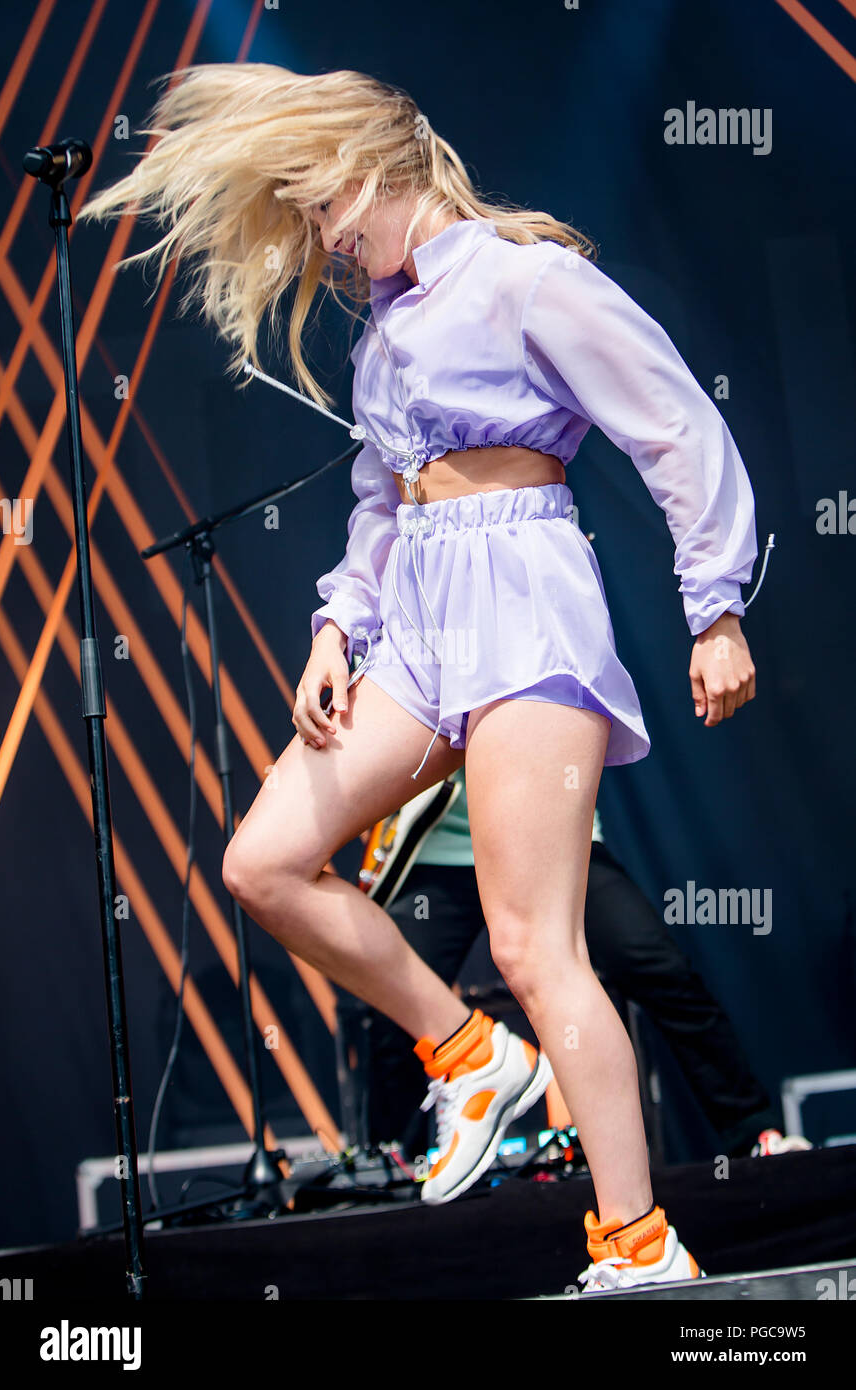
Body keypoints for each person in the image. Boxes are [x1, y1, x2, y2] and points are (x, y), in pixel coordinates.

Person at [83, 63, 758, 1292]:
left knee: (531, 941)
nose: (326, 236)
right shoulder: (386, 332)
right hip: (416, 622)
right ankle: (467, 1055)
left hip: (525, 605)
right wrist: (335, 628)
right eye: (307, 217)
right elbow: (376, 503)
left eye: (329, 201)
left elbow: (675, 427)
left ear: (385, 161)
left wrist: (712, 609)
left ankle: (636, 1242)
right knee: (263, 861)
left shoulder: (520, 279)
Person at [349, 769, 810, 1166]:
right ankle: (393, 1168)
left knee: (655, 963)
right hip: (441, 848)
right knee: (393, 997)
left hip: (556, 841)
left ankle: (754, 1135)